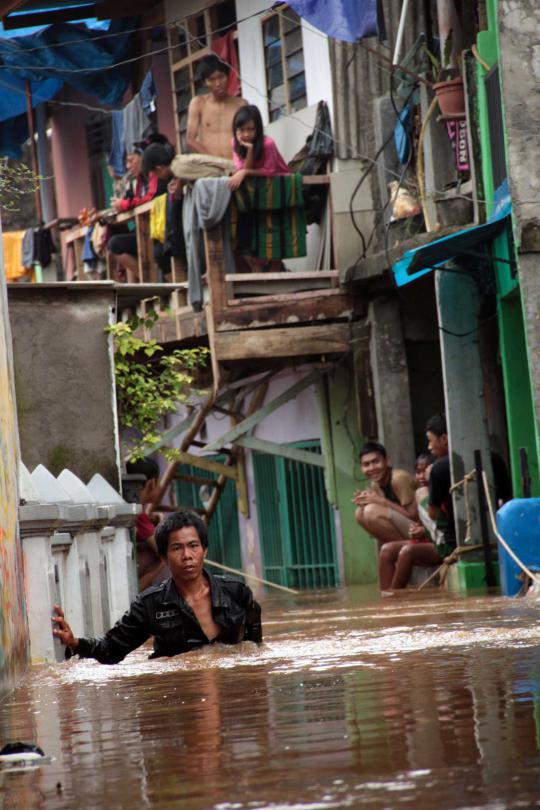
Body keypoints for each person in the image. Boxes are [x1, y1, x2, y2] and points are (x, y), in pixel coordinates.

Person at [52, 509, 263, 664]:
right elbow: (112, 649)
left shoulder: (236, 593)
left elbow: (255, 650)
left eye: (193, 546)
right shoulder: (151, 604)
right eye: (177, 548)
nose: (187, 556)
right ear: (163, 556)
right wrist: (75, 642)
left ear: (204, 550)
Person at [378, 415, 456, 592]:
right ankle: (385, 601)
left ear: (443, 439)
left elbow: (436, 515)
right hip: (435, 535)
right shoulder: (436, 470)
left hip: (448, 542)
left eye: (430, 441)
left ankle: (395, 600)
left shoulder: (439, 470)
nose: (429, 446)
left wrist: (424, 530)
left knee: (407, 551)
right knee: (387, 550)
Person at [108, 146, 167, 282]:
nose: (128, 166)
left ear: (143, 158)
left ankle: (151, 283)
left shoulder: (154, 173)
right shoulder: (138, 180)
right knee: (114, 243)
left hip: (160, 228)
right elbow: (136, 199)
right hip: (147, 228)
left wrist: (123, 204)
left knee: (117, 243)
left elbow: (150, 197)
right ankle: (148, 282)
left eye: (131, 161)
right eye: (126, 163)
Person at [353, 442, 417, 552]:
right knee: (359, 513)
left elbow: (414, 516)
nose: (371, 468)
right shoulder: (375, 484)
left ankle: (411, 547)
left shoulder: (399, 478)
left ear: (387, 461)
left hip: (421, 530)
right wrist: (366, 500)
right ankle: (397, 549)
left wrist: (380, 500)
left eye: (376, 462)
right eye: (366, 464)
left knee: (371, 511)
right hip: (406, 530)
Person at [186, 55, 246, 159]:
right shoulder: (198, 103)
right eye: (212, 79)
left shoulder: (240, 104)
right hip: (210, 167)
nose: (218, 83)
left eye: (221, 77)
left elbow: (250, 136)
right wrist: (215, 162)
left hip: (236, 166)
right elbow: (190, 140)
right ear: (205, 82)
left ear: (228, 76)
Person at [125, 457, 169, 591]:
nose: (161, 487)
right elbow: (163, 548)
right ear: (151, 483)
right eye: (159, 482)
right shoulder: (137, 513)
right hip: (135, 583)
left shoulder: (136, 511)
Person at [228, 104, 290, 190]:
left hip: (280, 180)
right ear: (236, 130)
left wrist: (245, 172)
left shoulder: (268, 143)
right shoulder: (235, 142)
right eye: (242, 130)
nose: (246, 134)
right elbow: (242, 170)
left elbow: (269, 171)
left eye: (250, 129)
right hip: (257, 181)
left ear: (258, 128)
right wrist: (250, 150)